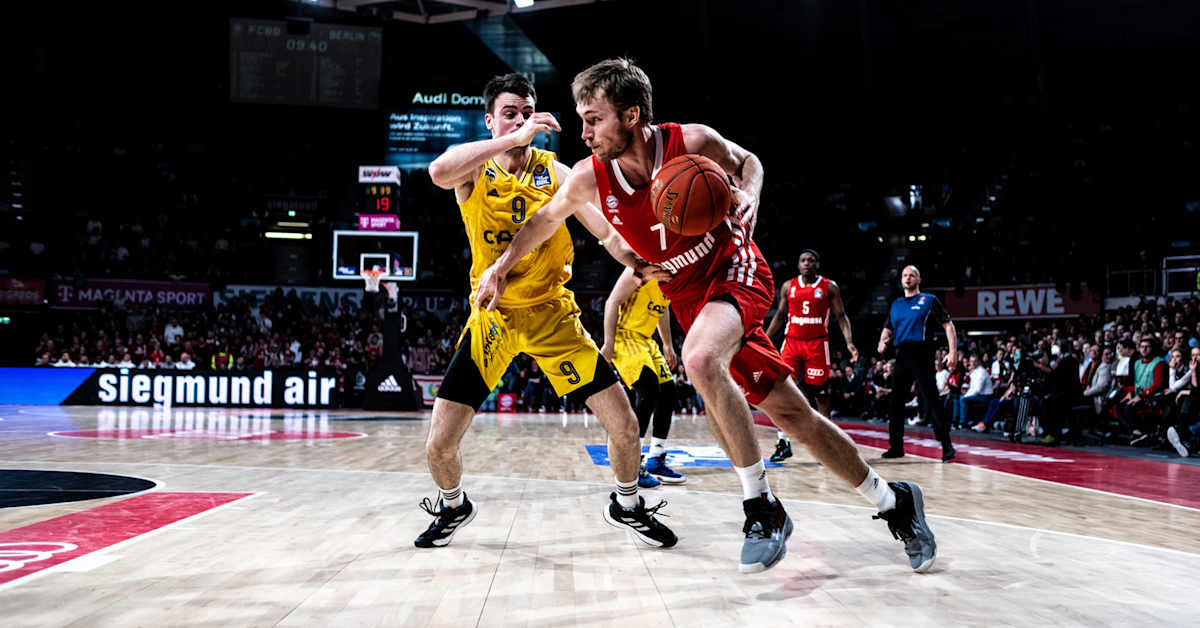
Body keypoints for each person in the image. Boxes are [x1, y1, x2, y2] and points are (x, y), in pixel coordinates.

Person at [474, 58, 936, 574]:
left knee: (697, 358)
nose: (583, 132)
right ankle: (893, 501)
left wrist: (751, 196)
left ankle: (761, 506)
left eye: (593, 119)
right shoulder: (589, 177)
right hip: (689, 296)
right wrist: (499, 266)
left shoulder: (691, 143)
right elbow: (542, 219)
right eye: (581, 119)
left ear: (631, 116)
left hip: (736, 272)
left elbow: (750, 162)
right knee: (791, 415)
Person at [419, 73, 676, 549]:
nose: (522, 120)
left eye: (527, 111)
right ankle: (453, 505)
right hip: (493, 318)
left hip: (553, 316)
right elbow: (437, 172)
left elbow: (608, 235)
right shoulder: (474, 170)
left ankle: (627, 503)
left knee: (624, 423)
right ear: (490, 120)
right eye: (510, 113)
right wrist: (511, 139)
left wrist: (642, 264)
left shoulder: (556, 172)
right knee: (438, 444)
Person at [764, 249, 859, 462]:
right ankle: (783, 443)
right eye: (803, 260)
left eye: (811, 260)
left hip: (817, 344)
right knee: (782, 389)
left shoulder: (829, 287)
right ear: (798, 265)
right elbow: (780, 315)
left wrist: (849, 342)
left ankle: (825, 441)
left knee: (822, 394)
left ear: (818, 265)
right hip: (791, 343)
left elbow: (842, 317)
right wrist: (765, 339)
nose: (807, 263)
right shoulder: (789, 286)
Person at [601, 266, 685, 487]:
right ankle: (631, 462)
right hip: (624, 336)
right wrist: (608, 343)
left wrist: (667, 343)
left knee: (669, 395)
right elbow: (612, 302)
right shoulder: (640, 268)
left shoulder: (673, 274)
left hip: (647, 341)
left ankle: (656, 458)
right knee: (648, 392)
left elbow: (662, 309)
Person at [876, 266, 958, 461]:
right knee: (896, 402)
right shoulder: (896, 304)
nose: (907, 278)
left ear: (919, 279)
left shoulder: (929, 300)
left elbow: (948, 325)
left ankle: (947, 445)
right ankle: (896, 447)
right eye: (904, 275)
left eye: (912, 275)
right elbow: (887, 328)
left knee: (932, 398)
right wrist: (882, 341)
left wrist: (953, 352)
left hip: (922, 353)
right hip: (902, 354)